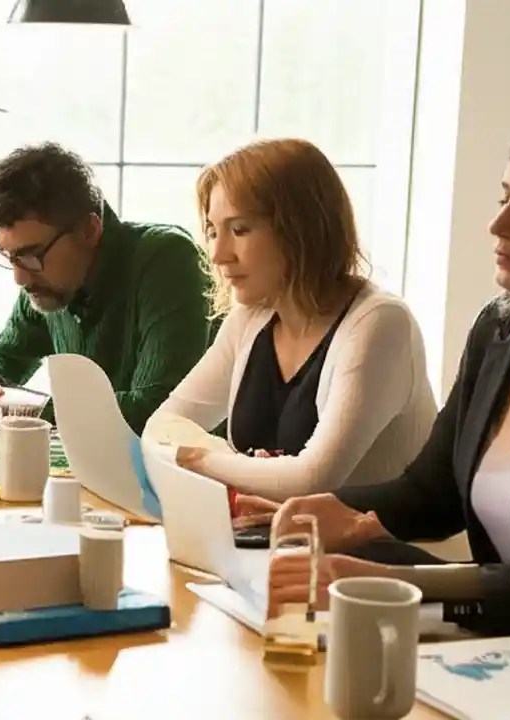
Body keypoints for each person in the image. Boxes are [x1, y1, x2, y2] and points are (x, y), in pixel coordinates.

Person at [251, 108, 510, 673]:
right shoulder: (501, 327)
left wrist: (404, 585)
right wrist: (346, 512)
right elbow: (434, 491)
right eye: (504, 198)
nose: (500, 225)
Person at [145, 139, 436, 501]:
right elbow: (160, 427)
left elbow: (312, 478)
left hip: (388, 556)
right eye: (213, 232)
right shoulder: (249, 321)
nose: (219, 255)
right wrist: (229, 469)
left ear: (302, 228)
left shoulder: (380, 324)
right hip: (280, 546)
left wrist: (203, 458)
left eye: (239, 230)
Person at [0, 142, 212, 434]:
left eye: (31, 255)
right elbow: (4, 355)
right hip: (99, 468)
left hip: (182, 472)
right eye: (10, 257)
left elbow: (158, 408)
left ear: (89, 230)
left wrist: (24, 408)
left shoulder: (168, 258)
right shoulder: (46, 282)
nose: (19, 278)